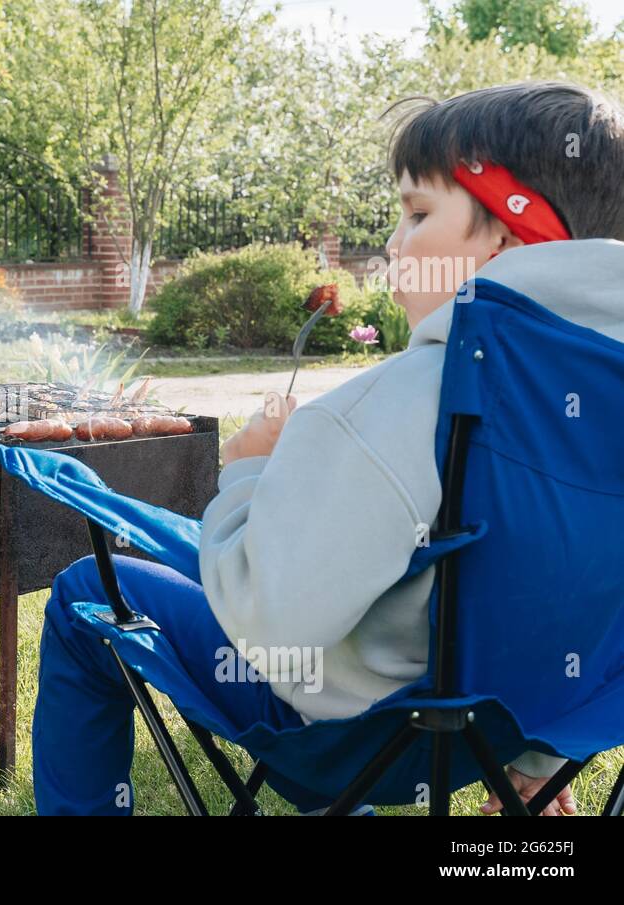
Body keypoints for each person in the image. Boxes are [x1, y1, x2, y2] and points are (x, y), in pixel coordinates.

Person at [33, 80, 624, 815]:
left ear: (507, 238)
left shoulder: (415, 398)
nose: (394, 243)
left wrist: (249, 470)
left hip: (348, 736)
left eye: (416, 213)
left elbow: (270, 617)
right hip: (506, 737)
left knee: (83, 591)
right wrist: (543, 751)